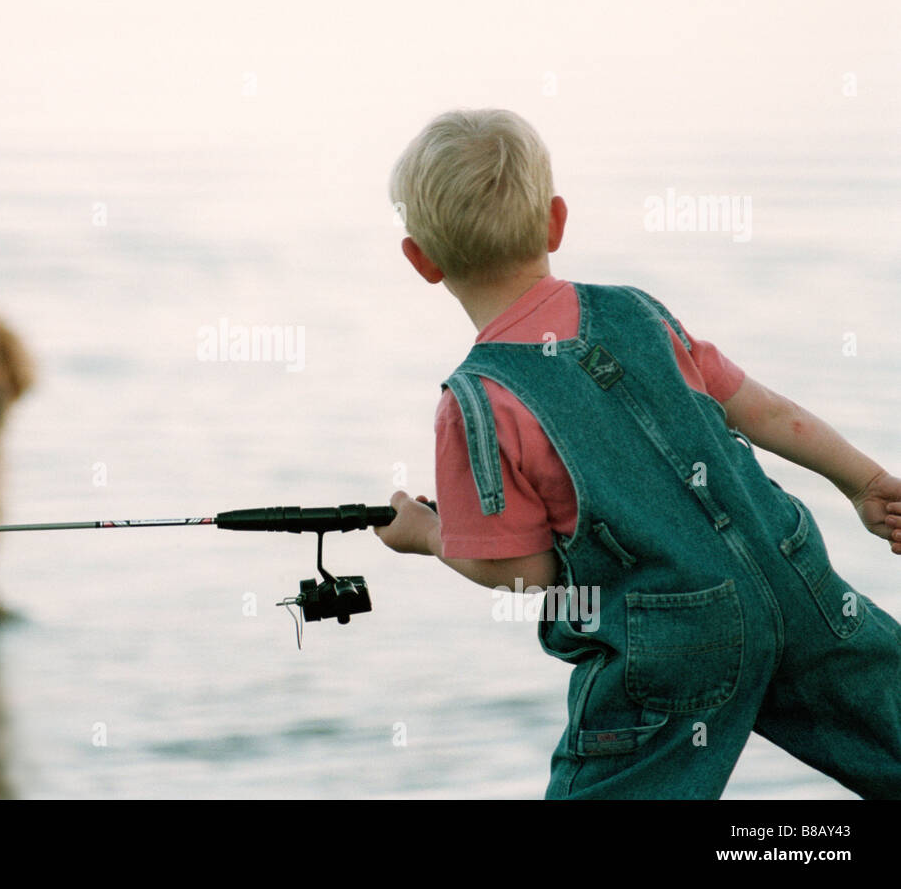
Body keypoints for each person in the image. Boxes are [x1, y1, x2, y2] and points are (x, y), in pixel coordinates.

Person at [374, 108, 901, 798]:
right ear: (556, 220)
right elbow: (765, 411)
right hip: (795, 578)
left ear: (421, 260)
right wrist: (863, 481)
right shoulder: (639, 312)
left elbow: (522, 569)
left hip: (672, 640)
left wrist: (427, 534)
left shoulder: (476, 402)